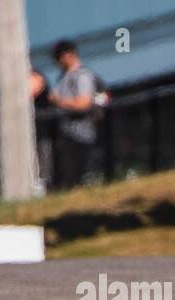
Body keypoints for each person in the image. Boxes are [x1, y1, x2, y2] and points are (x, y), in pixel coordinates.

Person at [46, 40, 104, 189]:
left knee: (84, 178)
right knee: (69, 181)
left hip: (82, 135)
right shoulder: (63, 78)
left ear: (69, 55)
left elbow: (83, 104)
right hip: (67, 135)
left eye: (59, 57)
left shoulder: (82, 76)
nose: (57, 62)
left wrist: (59, 101)